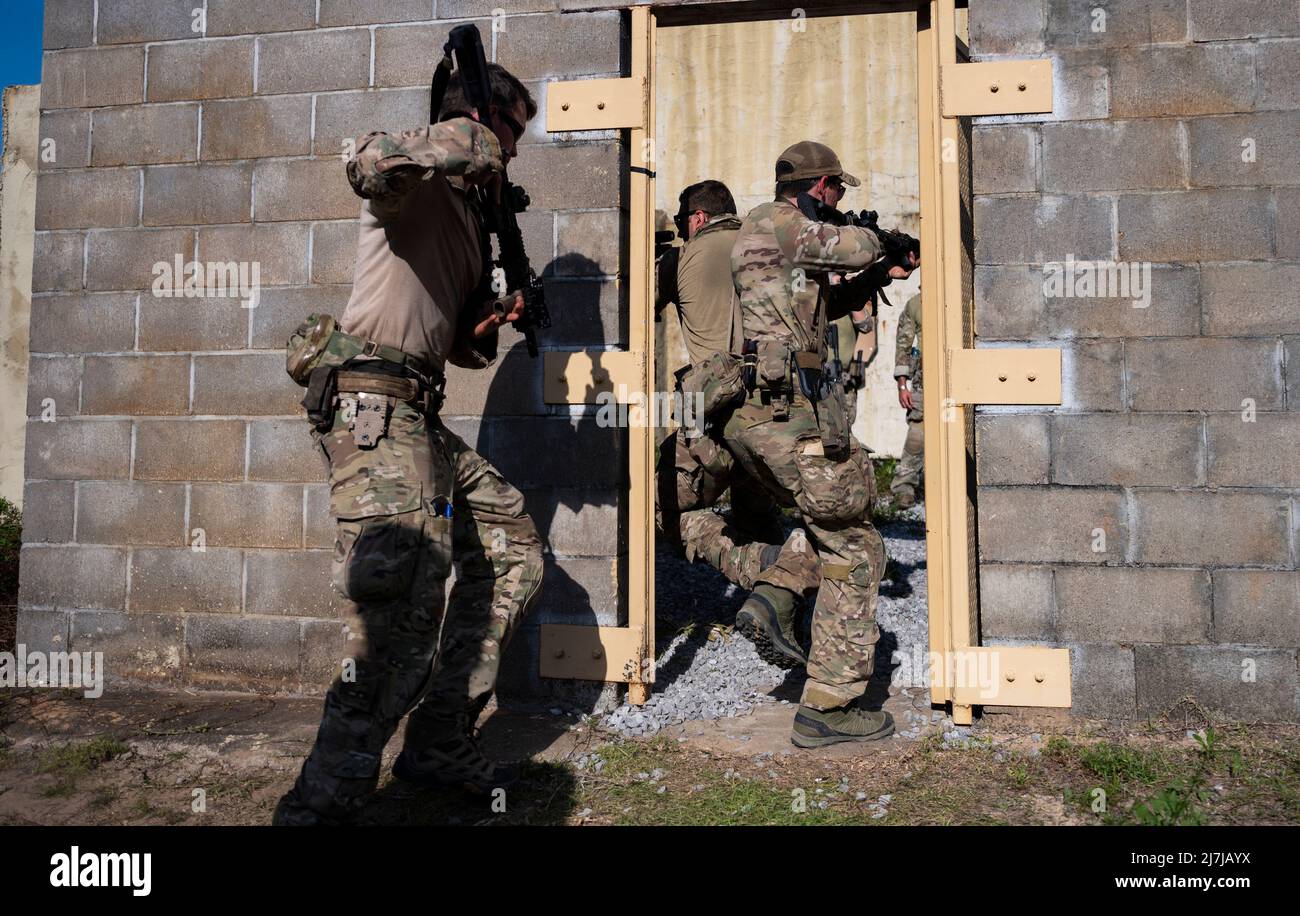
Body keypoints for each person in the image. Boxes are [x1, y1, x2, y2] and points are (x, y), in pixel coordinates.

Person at [274, 63, 544, 825]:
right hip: (372, 411)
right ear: (481, 121)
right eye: (512, 132)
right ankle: (318, 810)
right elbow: (365, 161)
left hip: (417, 413)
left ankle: (438, 736)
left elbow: (455, 346)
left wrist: (487, 322)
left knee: (512, 547)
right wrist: (467, 140)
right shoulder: (418, 179)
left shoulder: (466, 216)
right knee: (395, 635)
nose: (514, 153)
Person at [724, 140, 896, 747]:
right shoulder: (785, 224)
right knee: (855, 546)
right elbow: (850, 244)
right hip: (791, 412)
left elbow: (821, 303)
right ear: (815, 187)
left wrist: (876, 277)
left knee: (822, 525)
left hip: (757, 415)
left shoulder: (759, 233)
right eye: (837, 190)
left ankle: (776, 595)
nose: (841, 201)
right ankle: (829, 704)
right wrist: (884, 244)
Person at [655, 180, 818, 668]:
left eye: (685, 222)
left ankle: (767, 569)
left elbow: (627, 307)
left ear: (697, 219)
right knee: (758, 513)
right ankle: (781, 609)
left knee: (661, 508)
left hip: (707, 419)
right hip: (770, 417)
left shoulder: (683, 258)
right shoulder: (763, 249)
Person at [891, 293, 924, 508]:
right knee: (917, 434)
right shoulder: (916, 303)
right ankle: (904, 488)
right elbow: (903, 344)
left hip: (961, 376)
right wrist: (902, 385)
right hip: (924, 380)